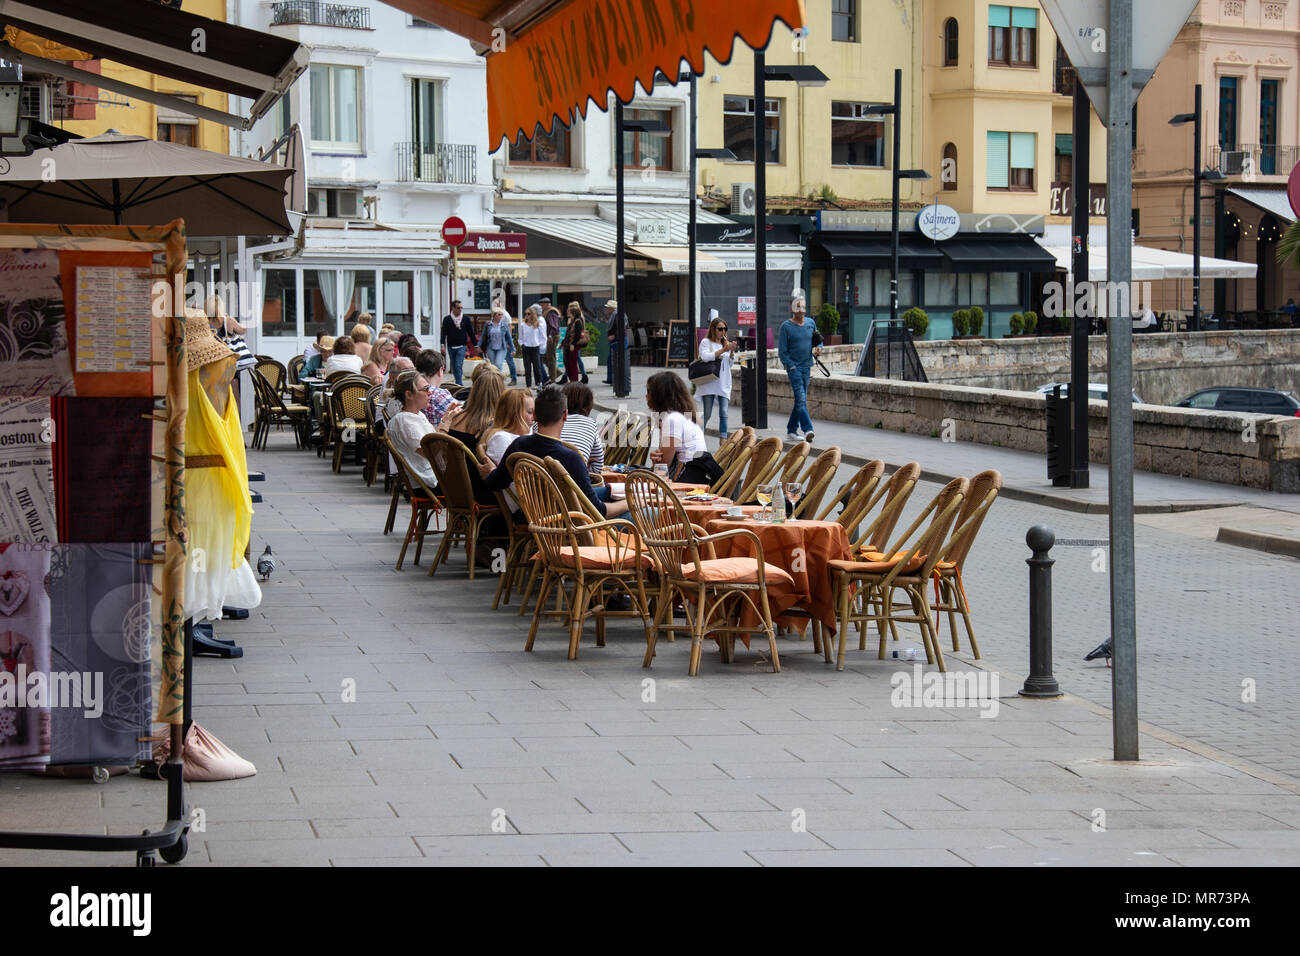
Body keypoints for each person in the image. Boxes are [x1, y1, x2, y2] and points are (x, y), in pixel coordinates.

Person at [479, 385, 628, 519]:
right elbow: (597, 511)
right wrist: (631, 503)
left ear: (535, 416)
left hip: (530, 514)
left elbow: (494, 483)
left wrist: (493, 470)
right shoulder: (571, 458)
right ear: (565, 415)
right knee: (641, 512)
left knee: (611, 493)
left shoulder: (518, 446)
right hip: (567, 521)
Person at [385, 371, 439, 489]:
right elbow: (431, 452)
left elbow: (434, 443)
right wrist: (446, 425)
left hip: (434, 476)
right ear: (409, 395)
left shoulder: (417, 415)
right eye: (425, 389)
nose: (429, 392)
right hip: (428, 482)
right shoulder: (404, 421)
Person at [645, 370, 707, 473]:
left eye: (649, 392)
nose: (646, 396)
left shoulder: (672, 420)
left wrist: (655, 460)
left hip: (685, 479)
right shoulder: (682, 415)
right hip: (694, 473)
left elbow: (663, 467)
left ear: (658, 396)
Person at [778, 298, 819, 443]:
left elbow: (817, 339)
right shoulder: (786, 327)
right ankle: (808, 429)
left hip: (806, 366)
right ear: (793, 310)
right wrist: (791, 366)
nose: (801, 312)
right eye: (798, 309)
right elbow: (782, 351)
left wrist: (819, 347)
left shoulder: (810, 323)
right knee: (801, 399)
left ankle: (791, 430)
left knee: (799, 401)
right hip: (794, 368)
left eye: (803, 309)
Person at [696, 312, 736, 440]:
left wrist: (731, 353)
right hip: (710, 382)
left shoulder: (725, 343)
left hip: (723, 382)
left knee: (724, 412)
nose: (723, 331)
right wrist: (724, 350)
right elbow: (705, 357)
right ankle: (698, 435)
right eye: (720, 329)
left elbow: (728, 365)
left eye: (725, 329)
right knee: (707, 413)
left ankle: (723, 438)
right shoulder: (706, 342)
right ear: (713, 329)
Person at [560, 381, 605, 474]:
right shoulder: (590, 423)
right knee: (611, 488)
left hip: (542, 483)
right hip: (576, 484)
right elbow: (598, 467)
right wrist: (584, 465)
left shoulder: (549, 421)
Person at [414, 349, 459, 428]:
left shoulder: (412, 389)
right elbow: (464, 417)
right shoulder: (438, 395)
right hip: (441, 437)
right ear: (440, 370)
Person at [441, 300, 477, 387]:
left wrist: (476, 345)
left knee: (458, 364)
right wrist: (442, 345)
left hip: (462, 346)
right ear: (453, 308)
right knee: (454, 366)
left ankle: (459, 384)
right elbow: (443, 333)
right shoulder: (447, 319)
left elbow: (471, 332)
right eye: (458, 308)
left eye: (461, 308)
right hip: (451, 346)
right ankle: (458, 381)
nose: (460, 309)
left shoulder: (465, 319)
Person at [483, 304, 519, 385]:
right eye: (499, 315)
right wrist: (479, 345)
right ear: (494, 315)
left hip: (503, 345)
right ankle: (494, 381)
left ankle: (504, 380)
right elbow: (483, 336)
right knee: (493, 365)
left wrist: (511, 346)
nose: (500, 316)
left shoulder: (505, 317)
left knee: (500, 363)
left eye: (501, 314)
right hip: (491, 347)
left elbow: (509, 330)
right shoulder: (489, 324)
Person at [519, 305, 548, 387]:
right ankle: (528, 386)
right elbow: (520, 338)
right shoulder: (523, 325)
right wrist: (522, 345)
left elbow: (543, 337)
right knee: (527, 369)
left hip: (535, 348)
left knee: (537, 368)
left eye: (529, 314)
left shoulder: (537, 324)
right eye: (526, 314)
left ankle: (538, 384)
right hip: (526, 349)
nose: (527, 315)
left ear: (533, 314)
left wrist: (540, 345)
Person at [602, 299, 628, 386]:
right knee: (611, 360)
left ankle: (616, 379)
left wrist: (614, 336)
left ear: (612, 308)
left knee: (616, 360)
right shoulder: (614, 315)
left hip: (618, 341)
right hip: (615, 341)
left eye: (608, 308)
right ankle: (611, 379)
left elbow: (622, 328)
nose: (607, 310)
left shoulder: (618, 315)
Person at [562, 302, 588, 384]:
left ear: (573, 312)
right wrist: (563, 343)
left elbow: (577, 335)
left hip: (573, 345)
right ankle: (571, 380)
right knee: (568, 362)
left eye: (569, 311)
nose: (567, 312)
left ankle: (574, 381)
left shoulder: (577, 321)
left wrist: (573, 344)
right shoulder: (572, 321)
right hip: (568, 345)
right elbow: (568, 333)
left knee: (573, 363)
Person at [540, 297, 562, 384]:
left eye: (542, 304)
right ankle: (557, 372)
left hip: (552, 336)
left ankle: (552, 378)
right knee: (545, 357)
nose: (541, 306)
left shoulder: (551, 312)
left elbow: (554, 326)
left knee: (551, 357)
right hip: (550, 336)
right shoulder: (546, 312)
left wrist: (550, 335)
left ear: (547, 304)